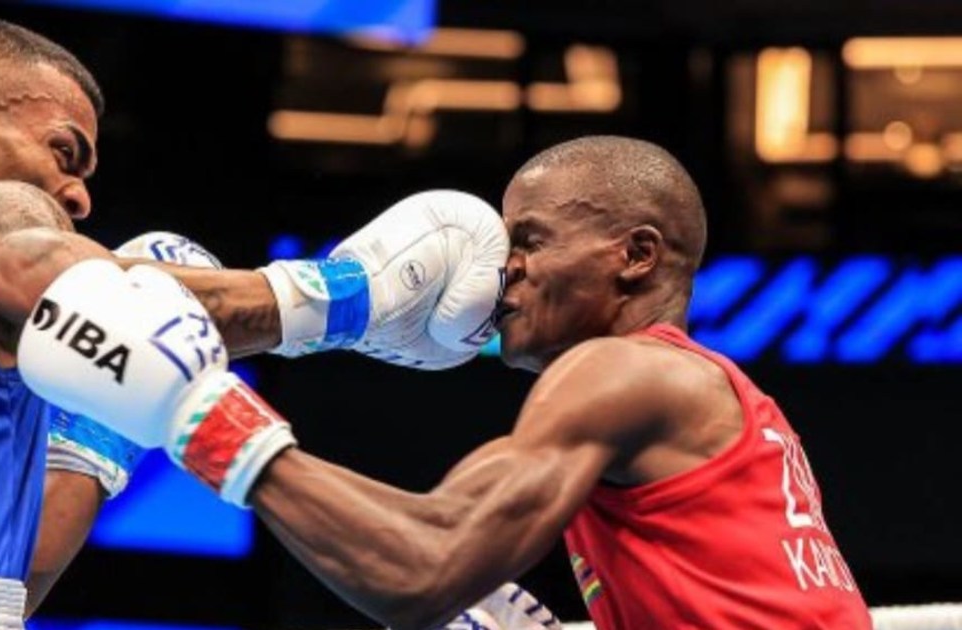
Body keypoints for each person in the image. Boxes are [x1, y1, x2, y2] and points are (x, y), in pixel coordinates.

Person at [0, 19, 508, 627]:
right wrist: (347, 298)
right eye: (65, 152)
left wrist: (96, 438)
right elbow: (103, 296)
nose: (78, 195)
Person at [46, 136, 874, 629]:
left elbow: (419, 572)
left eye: (531, 240)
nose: (504, 269)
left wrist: (197, 412)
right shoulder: (705, 394)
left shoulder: (622, 371)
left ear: (635, 256)